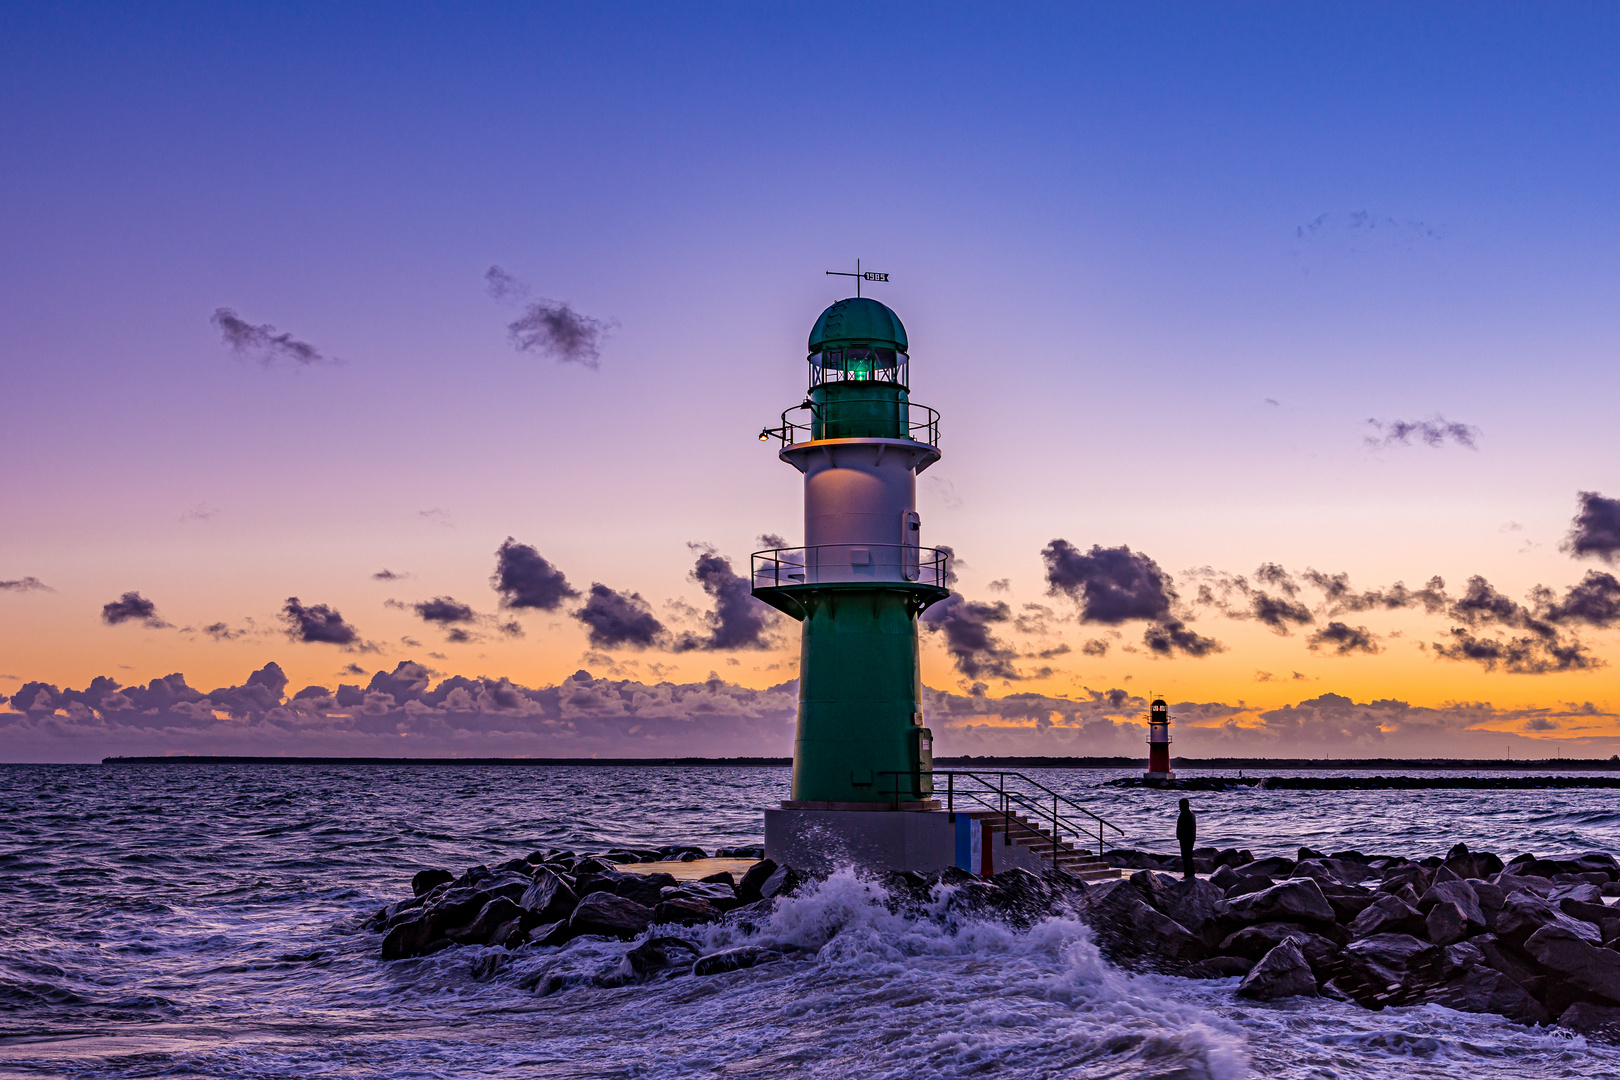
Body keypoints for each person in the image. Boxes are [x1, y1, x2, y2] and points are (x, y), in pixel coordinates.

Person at [1177, 798, 1197, 882]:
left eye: (1180, 805)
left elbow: (1182, 827)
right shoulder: (1191, 814)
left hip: (1186, 838)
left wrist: (1179, 835)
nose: (1179, 807)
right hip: (1190, 838)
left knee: (1186, 857)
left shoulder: (1185, 814)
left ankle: (1188, 875)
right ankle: (1190, 874)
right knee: (1188, 856)